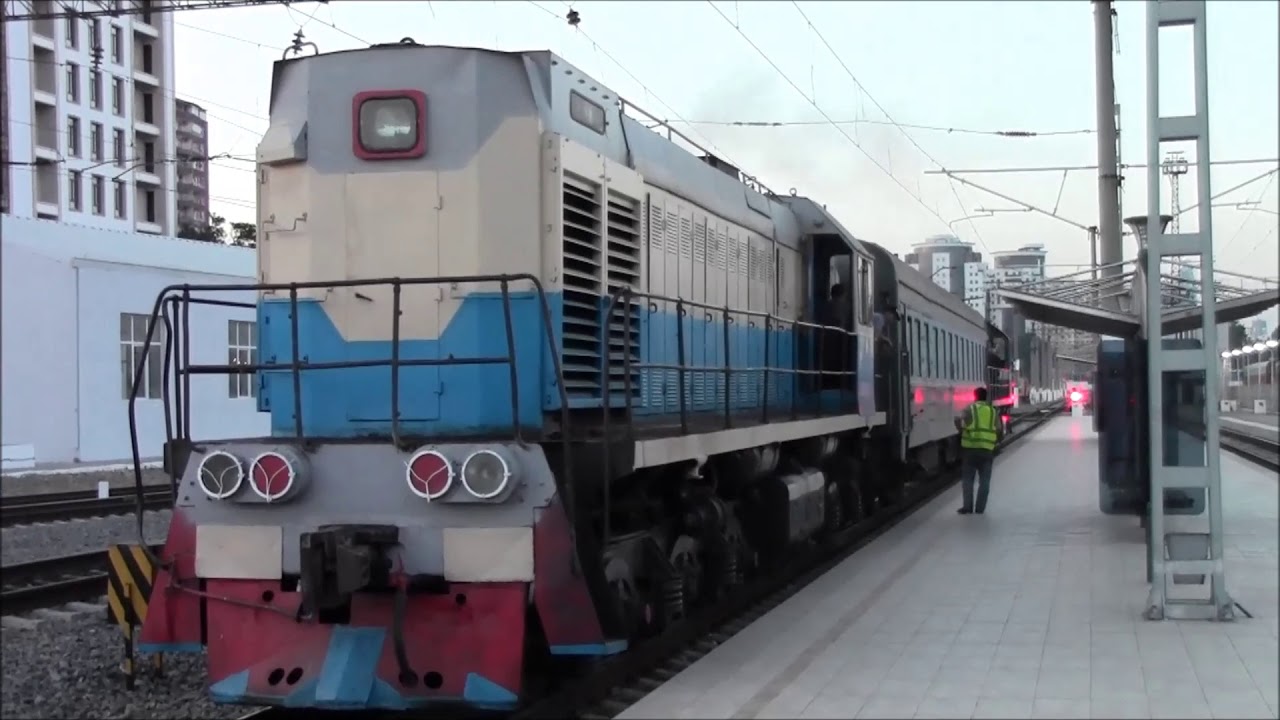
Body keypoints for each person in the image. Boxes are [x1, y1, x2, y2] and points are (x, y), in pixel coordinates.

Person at [954, 387, 1003, 514]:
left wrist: (962, 430)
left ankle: (967, 507)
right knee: (985, 481)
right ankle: (980, 508)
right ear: (985, 397)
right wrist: (996, 441)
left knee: (968, 479)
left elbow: (957, 419)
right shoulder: (992, 411)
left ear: (975, 396)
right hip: (986, 451)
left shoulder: (969, 409)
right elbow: (998, 429)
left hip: (970, 449)